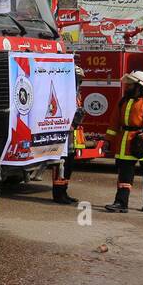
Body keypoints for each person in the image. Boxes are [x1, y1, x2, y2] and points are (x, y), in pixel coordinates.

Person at [103, 70, 143, 213]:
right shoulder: (122, 101)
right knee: (124, 175)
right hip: (126, 142)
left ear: (139, 86)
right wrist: (108, 140)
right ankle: (121, 203)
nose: (127, 87)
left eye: (130, 84)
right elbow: (114, 123)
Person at [51, 66, 87, 205]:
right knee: (61, 164)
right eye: (77, 78)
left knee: (69, 165)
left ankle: (64, 191)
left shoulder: (77, 93)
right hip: (63, 134)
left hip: (73, 135)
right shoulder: (62, 92)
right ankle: (58, 194)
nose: (79, 81)